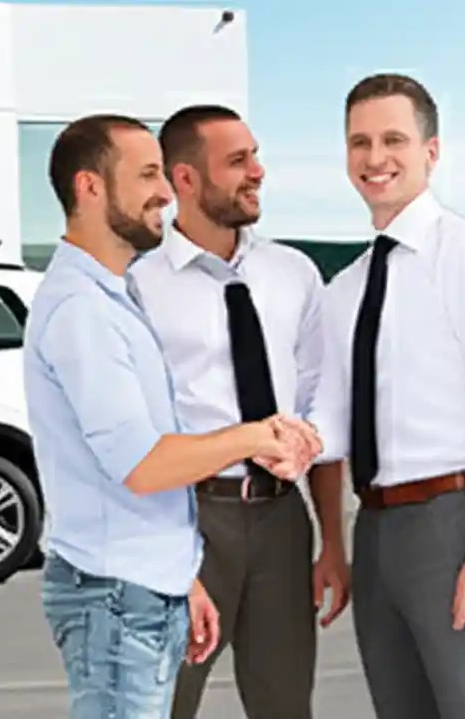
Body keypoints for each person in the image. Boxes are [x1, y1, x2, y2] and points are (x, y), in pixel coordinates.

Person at [23, 113, 322, 719]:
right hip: (121, 588)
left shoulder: (110, 296)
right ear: (90, 188)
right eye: (148, 175)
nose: (163, 193)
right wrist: (254, 436)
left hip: (156, 570)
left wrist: (180, 574)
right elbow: (140, 461)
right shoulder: (91, 308)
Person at [308, 72, 465, 719]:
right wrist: (271, 442)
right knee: (400, 708)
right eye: (360, 142)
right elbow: (332, 416)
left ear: (430, 152)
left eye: (393, 139)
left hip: (454, 519)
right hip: (377, 528)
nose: (375, 158)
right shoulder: (346, 289)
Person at [127, 104, 350, 719]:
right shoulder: (136, 286)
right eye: (237, 161)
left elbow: (317, 413)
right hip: (184, 518)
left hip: (282, 521)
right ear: (185, 180)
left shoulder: (294, 274)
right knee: (159, 704)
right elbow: (128, 439)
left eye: (254, 155)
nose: (259, 171)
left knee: (285, 707)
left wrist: (331, 540)